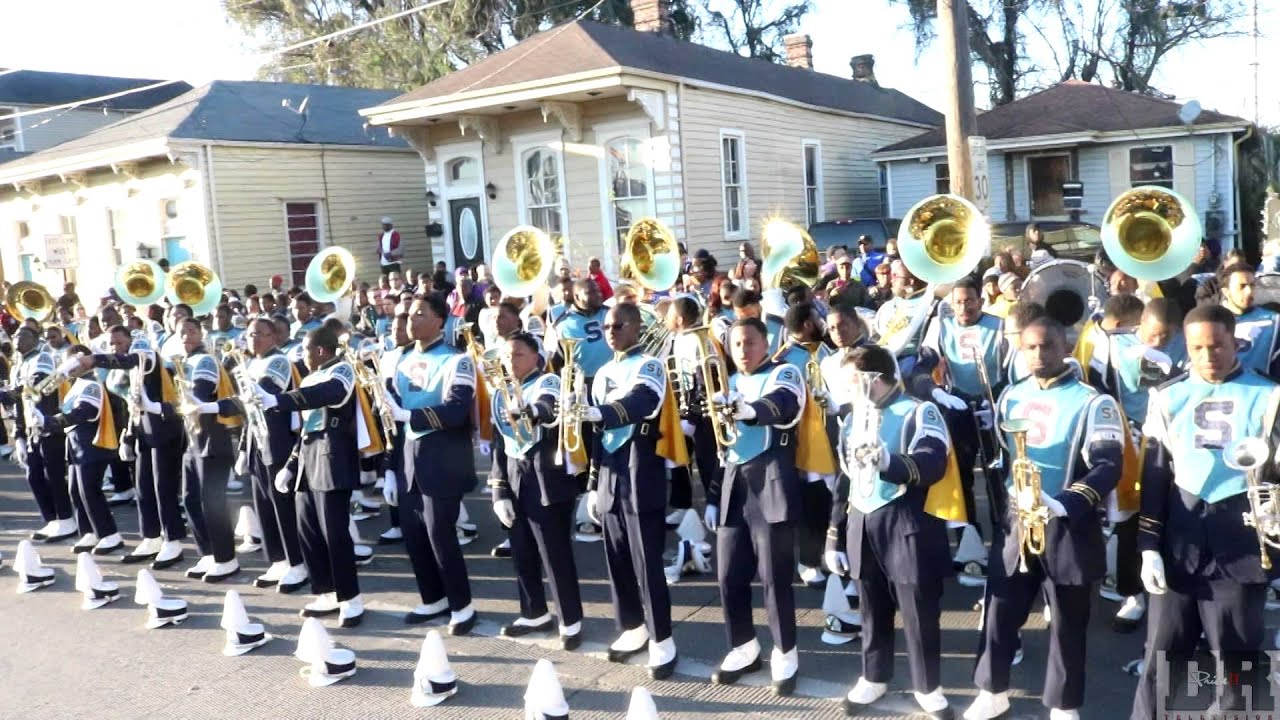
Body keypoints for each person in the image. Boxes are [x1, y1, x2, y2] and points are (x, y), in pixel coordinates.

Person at [965, 317, 1124, 720]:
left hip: (1068, 524)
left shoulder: (1094, 401)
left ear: (1065, 346)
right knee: (999, 610)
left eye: (1047, 346)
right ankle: (992, 690)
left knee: (1068, 622)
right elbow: (1004, 458)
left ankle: (1064, 703)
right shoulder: (1010, 396)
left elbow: (1108, 466)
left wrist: (1067, 501)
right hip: (1018, 523)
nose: (1039, 354)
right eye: (1031, 347)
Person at [1129, 304, 1280, 719]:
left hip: (1242, 545)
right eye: (1197, 347)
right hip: (1181, 541)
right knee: (1161, 659)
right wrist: (1148, 546)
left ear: (1236, 342)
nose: (1207, 356)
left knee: (1238, 666)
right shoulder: (1167, 396)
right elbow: (1156, 474)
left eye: (1217, 346)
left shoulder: (1270, 396)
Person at [826, 344, 954, 719]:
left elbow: (933, 461)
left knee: (918, 610)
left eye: (853, 383)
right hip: (862, 521)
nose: (847, 391)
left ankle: (928, 686)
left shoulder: (919, 410)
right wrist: (835, 533)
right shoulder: (850, 419)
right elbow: (843, 480)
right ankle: (874, 675)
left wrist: (890, 462)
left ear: (874, 379)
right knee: (871, 606)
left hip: (906, 521)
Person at [705, 317, 804, 695]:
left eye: (749, 343)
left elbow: (784, 404)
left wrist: (749, 410)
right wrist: (714, 495)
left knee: (775, 577)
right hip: (734, 483)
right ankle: (743, 645)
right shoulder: (726, 383)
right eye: (736, 344)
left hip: (771, 481)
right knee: (728, 574)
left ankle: (785, 651)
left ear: (766, 343)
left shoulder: (785, 372)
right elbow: (720, 447)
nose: (743, 351)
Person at [581, 302, 679, 680]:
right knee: (617, 557)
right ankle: (633, 626)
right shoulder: (603, 370)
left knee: (646, 561)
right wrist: (592, 484)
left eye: (618, 324)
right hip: (608, 469)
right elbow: (595, 434)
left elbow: (643, 400)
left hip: (640, 464)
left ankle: (662, 638)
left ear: (637, 327)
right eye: (606, 325)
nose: (611, 330)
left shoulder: (650, 364)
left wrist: (602, 413)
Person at [251, 325, 365, 626]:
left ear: (319, 350)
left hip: (332, 458)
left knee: (335, 534)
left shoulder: (342, 371)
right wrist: (290, 464)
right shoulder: (311, 376)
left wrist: (281, 400)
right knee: (309, 530)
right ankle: (326, 591)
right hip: (308, 458)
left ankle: (350, 598)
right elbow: (306, 429)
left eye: (304, 350)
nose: (300, 355)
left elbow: (328, 395)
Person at [383, 294, 480, 635]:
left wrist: (409, 414)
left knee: (441, 533)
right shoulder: (401, 359)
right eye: (409, 314)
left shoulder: (458, 360)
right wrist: (390, 469)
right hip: (409, 456)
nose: (412, 319)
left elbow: (455, 411)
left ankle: (462, 605)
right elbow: (392, 418)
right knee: (414, 533)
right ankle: (433, 597)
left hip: (443, 456)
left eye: (420, 313)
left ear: (441, 320)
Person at [489, 332, 584, 649]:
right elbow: (500, 444)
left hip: (545, 475)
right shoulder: (500, 392)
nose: (509, 360)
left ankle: (570, 619)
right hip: (515, 472)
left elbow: (549, 406)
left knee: (554, 551)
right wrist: (499, 491)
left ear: (535, 357)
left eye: (517, 354)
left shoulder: (547, 381)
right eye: (505, 355)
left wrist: (529, 411)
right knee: (522, 549)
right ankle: (533, 612)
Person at [923, 276, 1006, 583]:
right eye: (958, 301)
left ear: (980, 300)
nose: (964, 306)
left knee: (998, 477)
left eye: (969, 300)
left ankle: (1004, 541)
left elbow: (1011, 368)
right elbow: (926, 359)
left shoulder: (999, 325)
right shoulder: (941, 326)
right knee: (962, 478)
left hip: (992, 405)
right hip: (957, 406)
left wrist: (998, 401)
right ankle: (970, 545)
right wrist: (936, 387)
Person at [216, 317, 307, 592]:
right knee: (264, 504)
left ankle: (297, 562)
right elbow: (249, 414)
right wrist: (244, 447)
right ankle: (277, 558)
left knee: (283, 505)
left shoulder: (279, 361)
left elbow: (264, 393)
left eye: (260, 334)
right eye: (250, 334)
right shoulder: (250, 363)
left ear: (273, 336)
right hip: (257, 439)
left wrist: (217, 406)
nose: (253, 339)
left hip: (278, 439)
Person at [174, 317, 242, 583]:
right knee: (191, 498)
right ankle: (208, 553)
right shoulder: (184, 361)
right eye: (183, 332)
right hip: (193, 439)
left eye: (192, 331)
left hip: (212, 439)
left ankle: (226, 558)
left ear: (201, 333)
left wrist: (186, 395)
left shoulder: (204, 361)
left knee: (212, 502)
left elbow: (201, 393)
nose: (188, 335)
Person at [40, 345, 124, 555]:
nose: (70, 367)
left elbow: (84, 412)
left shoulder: (92, 385)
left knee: (90, 489)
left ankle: (109, 534)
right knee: (75, 490)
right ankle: (89, 531)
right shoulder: (76, 384)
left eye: (75, 362)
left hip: (92, 443)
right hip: (77, 443)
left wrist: (51, 422)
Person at [0, 326, 76, 542]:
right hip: (30, 427)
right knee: (34, 475)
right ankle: (52, 519)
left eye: (23, 335)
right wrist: (20, 433)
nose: (17, 339)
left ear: (34, 339)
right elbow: (19, 402)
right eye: (15, 335)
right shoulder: (18, 363)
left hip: (48, 425)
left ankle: (66, 519)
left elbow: (36, 386)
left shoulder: (41, 357)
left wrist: (6, 394)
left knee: (53, 475)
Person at [1218, 263, 1280, 378]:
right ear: (1226, 292)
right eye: (1242, 286)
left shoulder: (1274, 322)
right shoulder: (1210, 323)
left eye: (1252, 285)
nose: (1249, 291)